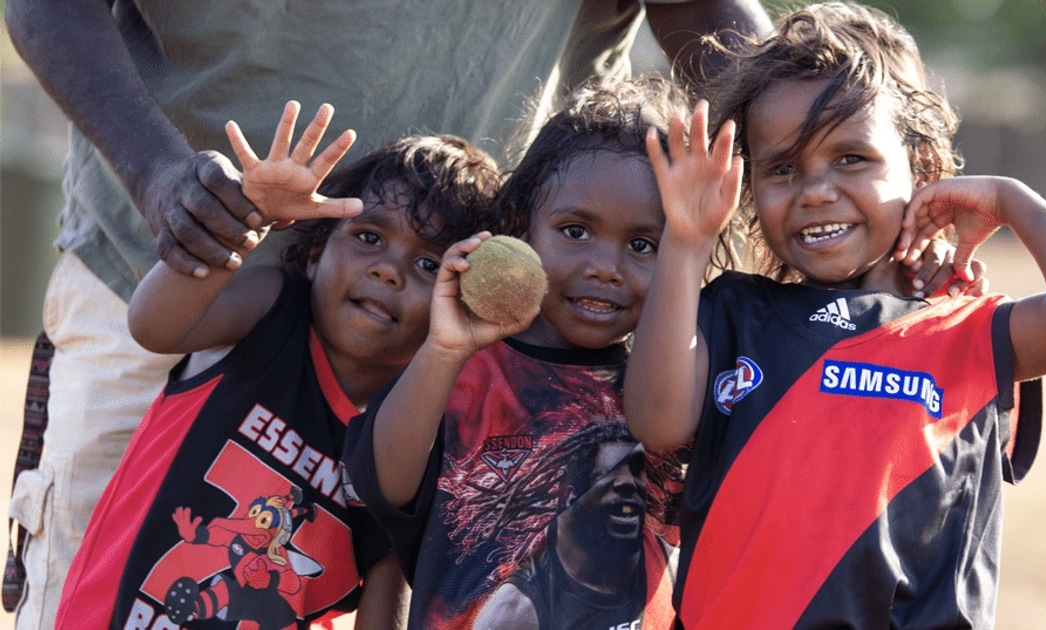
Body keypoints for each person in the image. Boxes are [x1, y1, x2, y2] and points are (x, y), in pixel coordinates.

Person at [1, 1, 773, 626]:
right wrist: (176, 188)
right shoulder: (265, 295)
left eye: (642, 244)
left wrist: (851, 176)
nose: (607, 261)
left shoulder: (531, 380)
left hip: (456, 343)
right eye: (367, 237)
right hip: (166, 260)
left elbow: (388, 566)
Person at [624, 3, 1046, 628]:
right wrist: (685, 242)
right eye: (783, 168)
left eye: (851, 159)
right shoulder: (731, 311)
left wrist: (1008, 196)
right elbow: (656, 423)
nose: (815, 190)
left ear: (921, 171)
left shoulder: (962, 329)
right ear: (749, 186)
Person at [54, 103, 502, 627]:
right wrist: (247, 214)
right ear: (315, 253)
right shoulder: (270, 310)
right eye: (369, 237)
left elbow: (387, 595)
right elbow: (153, 326)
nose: (388, 270)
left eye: (429, 264)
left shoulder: (412, 440)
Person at [341, 77, 691, 629]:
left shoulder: (675, 389)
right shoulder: (465, 373)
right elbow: (384, 484)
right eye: (575, 231)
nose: (606, 267)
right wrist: (443, 351)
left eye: (643, 245)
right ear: (516, 226)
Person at [472, 425, 678, 630]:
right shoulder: (515, 612)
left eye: (636, 470)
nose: (627, 483)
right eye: (609, 473)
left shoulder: (674, 570)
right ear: (573, 496)